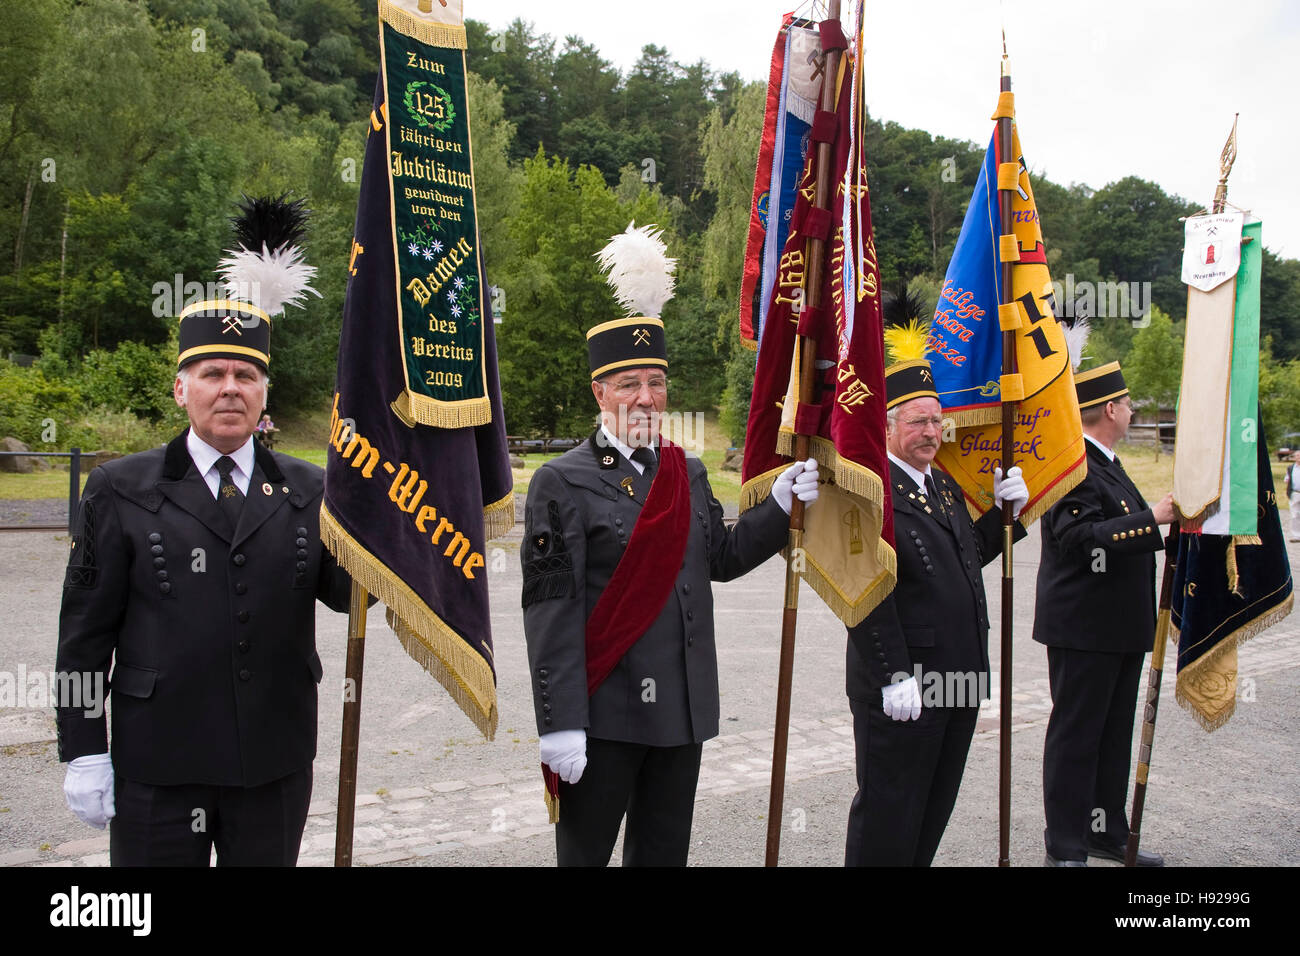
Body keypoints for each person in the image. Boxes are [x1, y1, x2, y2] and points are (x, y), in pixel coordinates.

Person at [55, 200, 353, 866]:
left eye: (245, 375)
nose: (229, 389)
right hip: (158, 766)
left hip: (272, 763)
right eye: (212, 374)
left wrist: (397, 526)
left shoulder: (312, 489)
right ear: (180, 389)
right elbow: (83, 634)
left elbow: (346, 593)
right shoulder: (119, 488)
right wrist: (82, 749)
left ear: (264, 394)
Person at [520, 224, 819, 866]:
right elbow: (551, 610)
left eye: (655, 382)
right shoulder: (560, 481)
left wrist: (781, 506)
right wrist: (560, 719)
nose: (646, 398)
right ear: (599, 393)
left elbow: (722, 560)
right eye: (628, 384)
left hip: (681, 713)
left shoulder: (685, 472)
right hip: (603, 717)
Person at [844, 358, 1028, 866]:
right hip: (906, 685)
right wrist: (893, 673)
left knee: (931, 808)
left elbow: (964, 558)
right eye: (917, 421)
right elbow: (859, 588)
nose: (931, 432)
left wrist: (1005, 516)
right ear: (886, 425)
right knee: (889, 814)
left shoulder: (942, 485)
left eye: (936, 420)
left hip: (959, 679)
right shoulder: (871, 492)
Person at [1034, 361, 1174, 866]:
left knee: (1113, 737)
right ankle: (1067, 845)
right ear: (1109, 409)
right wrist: (1150, 520)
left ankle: (1105, 832)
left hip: (1119, 628)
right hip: (1084, 628)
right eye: (1128, 402)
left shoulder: (1108, 463)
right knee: (1077, 736)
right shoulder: (1072, 464)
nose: (1133, 409)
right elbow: (1077, 540)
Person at [1287, 452, 1300, 542]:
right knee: (1295, 515)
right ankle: (1296, 536)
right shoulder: (1291, 468)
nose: (1299, 457)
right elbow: (1287, 479)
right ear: (1294, 457)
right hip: (1295, 493)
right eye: (1297, 456)